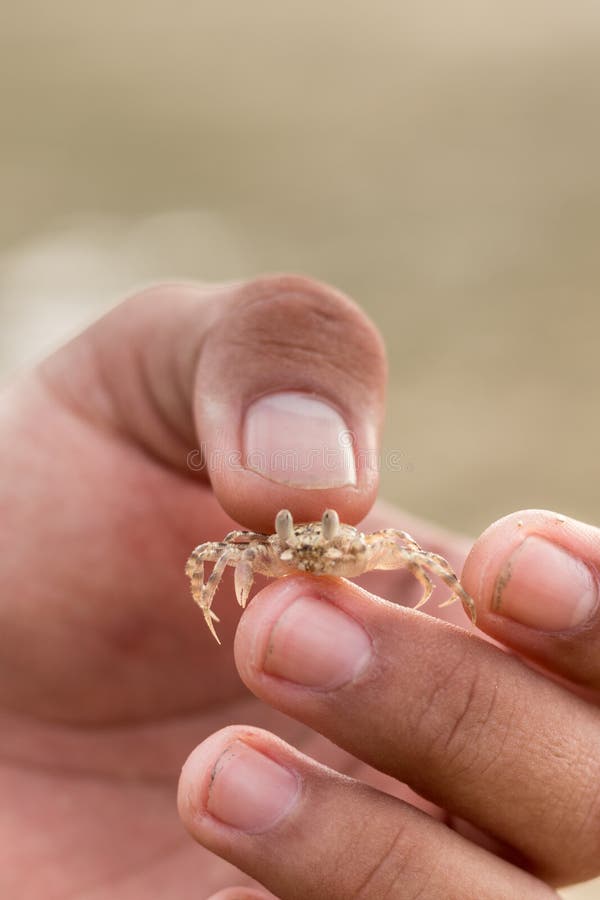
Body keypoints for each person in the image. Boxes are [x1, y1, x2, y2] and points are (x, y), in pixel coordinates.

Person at [1, 275, 597, 900]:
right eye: (290, 531)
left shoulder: (367, 550)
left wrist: (456, 600)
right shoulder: (265, 542)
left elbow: (425, 562)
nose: (305, 544)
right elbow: (209, 557)